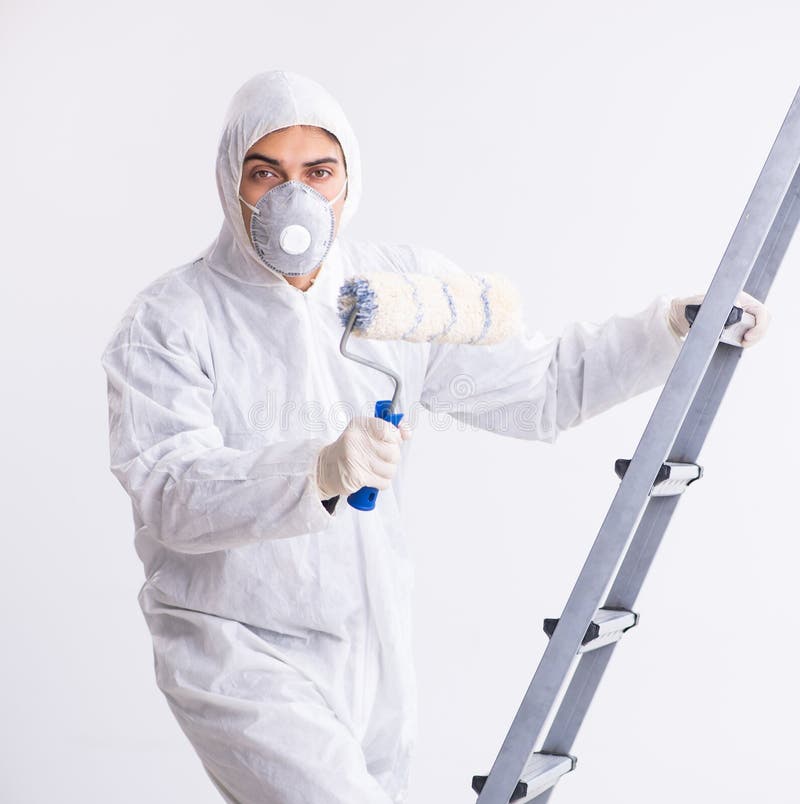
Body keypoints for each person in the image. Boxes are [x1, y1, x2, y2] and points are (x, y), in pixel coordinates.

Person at [101, 70, 770, 804]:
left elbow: (542, 391)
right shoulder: (171, 320)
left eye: (317, 172)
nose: (295, 198)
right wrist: (316, 470)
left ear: (347, 179)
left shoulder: (399, 291)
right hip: (233, 646)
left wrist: (670, 329)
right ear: (232, 179)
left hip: (370, 640)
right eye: (268, 174)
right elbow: (168, 491)